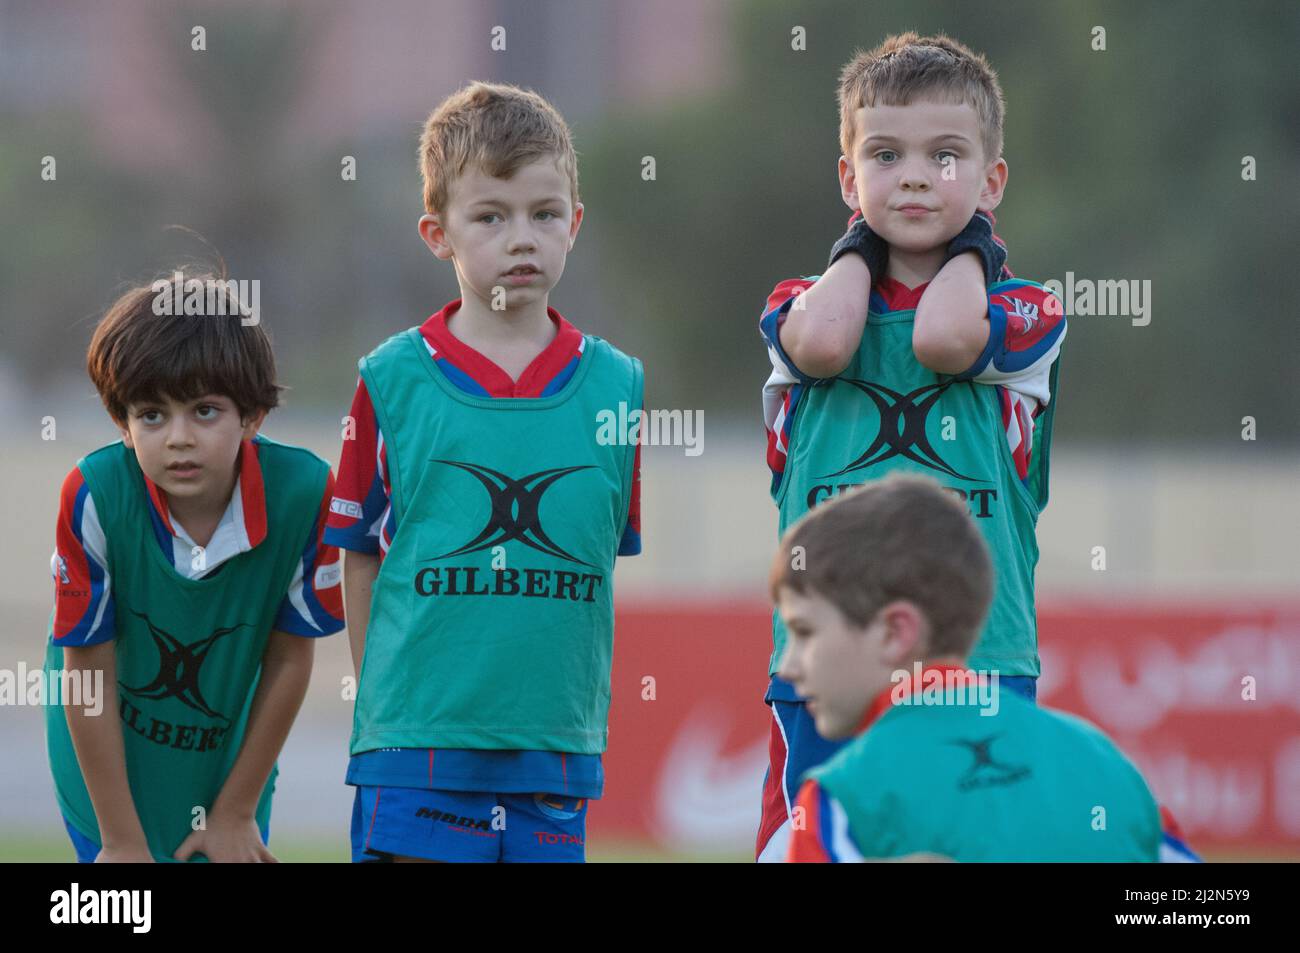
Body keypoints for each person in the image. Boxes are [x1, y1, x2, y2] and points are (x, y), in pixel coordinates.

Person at [755, 32, 1067, 862]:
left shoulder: (1027, 310)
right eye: (885, 154)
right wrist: (859, 245)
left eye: (948, 155)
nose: (918, 176)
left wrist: (972, 247)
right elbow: (824, 345)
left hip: (978, 659)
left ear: (993, 181)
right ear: (847, 177)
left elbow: (945, 341)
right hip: (829, 669)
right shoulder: (802, 304)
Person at [327, 81, 643, 863]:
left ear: (575, 222)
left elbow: (600, 557)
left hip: (551, 747)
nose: (522, 239)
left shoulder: (619, 386)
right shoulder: (390, 379)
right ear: (439, 233)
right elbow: (357, 554)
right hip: (418, 748)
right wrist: (386, 707)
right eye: (490, 217)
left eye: (543, 214)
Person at [45, 267, 344, 862]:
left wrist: (235, 811)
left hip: (229, 773)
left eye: (204, 411)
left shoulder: (304, 493)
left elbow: (289, 657)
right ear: (122, 425)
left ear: (253, 416)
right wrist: (121, 841)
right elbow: (87, 673)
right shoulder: (94, 493)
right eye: (151, 414)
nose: (178, 437)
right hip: (104, 776)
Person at [773, 473, 1167, 862]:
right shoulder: (1103, 763)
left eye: (804, 632)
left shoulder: (842, 801)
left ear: (895, 633)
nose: (787, 667)